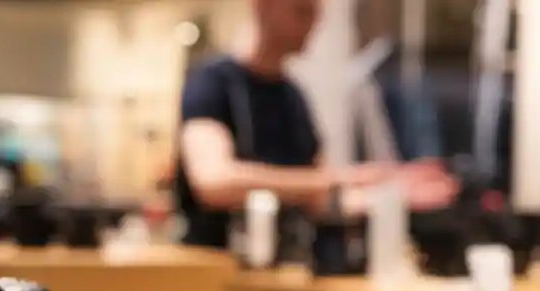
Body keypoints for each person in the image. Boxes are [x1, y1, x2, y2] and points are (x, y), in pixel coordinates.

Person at [176, 0, 455, 248]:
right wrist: (342, 177)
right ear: (263, 5)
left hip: (281, 274)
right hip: (213, 273)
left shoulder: (293, 96)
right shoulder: (212, 83)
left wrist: (391, 194)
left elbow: (320, 199)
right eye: (302, 11)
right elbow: (213, 181)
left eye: (317, 15)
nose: (312, 26)